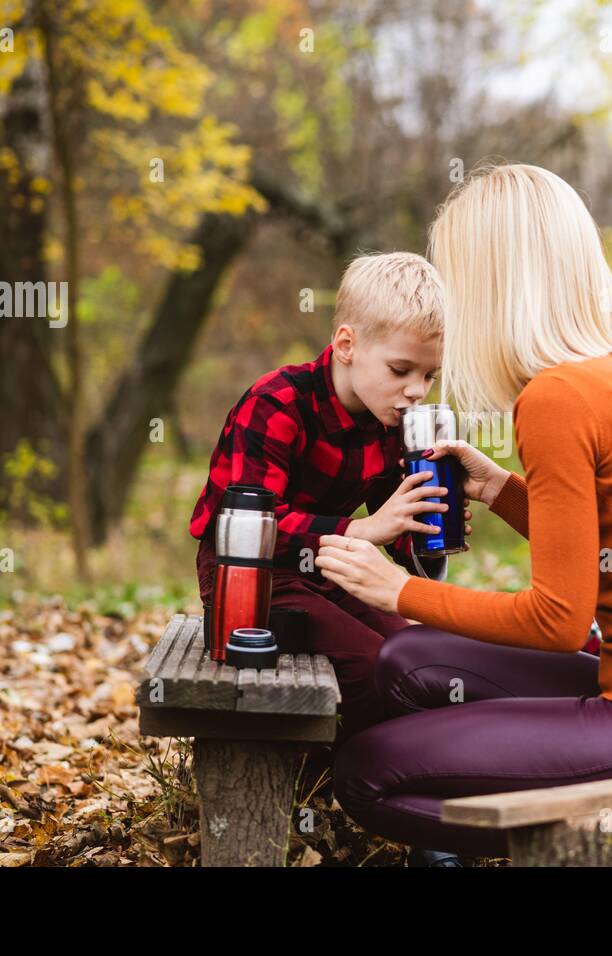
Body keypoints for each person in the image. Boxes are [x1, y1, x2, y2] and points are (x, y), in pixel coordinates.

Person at [315, 164, 612, 867]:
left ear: (494, 281)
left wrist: (399, 592)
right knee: (408, 661)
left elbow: (558, 619)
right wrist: (498, 487)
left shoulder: (557, 398)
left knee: (367, 773)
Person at [188, 251, 472, 747]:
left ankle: (415, 761)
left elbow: (393, 522)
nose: (414, 392)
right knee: (368, 664)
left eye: (428, 376)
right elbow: (246, 524)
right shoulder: (277, 403)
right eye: (401, 369)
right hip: (249, 574)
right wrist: (360, 530)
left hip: (331, 569)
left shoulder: (389, 422)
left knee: (411, 653)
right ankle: (331, 778)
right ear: (346, 344)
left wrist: (427, 533)